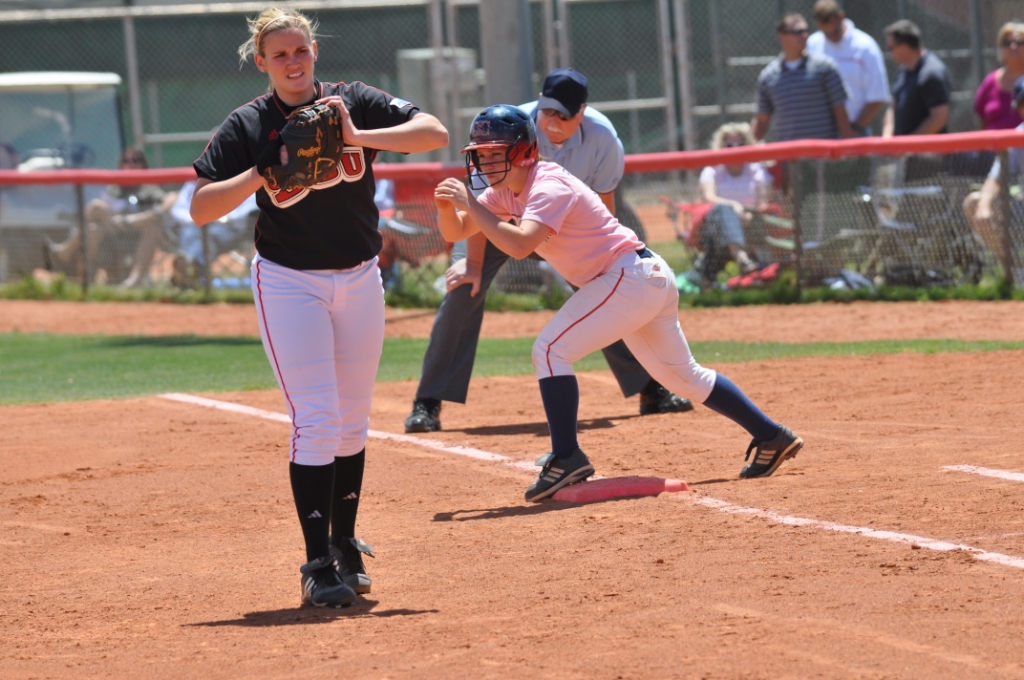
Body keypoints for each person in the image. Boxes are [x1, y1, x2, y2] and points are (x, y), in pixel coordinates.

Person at [189, 7, 448, 608]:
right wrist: (261, 170)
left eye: (300, 50)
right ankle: (315, 563)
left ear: (314, 52)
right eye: (279, 54)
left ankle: (345, 542)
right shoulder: (250, 123)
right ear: (261, 62)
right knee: (317, 418)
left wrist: (358, 136)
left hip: (360, 278)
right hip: (289, 282)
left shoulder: (349, 102)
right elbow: (202, 206)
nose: (292, 62)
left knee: (353, 418)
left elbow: (433, 131)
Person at [436, 106, 803, 501]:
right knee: (683, 378)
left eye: (495, 152)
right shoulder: (504, 191)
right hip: (638, 279)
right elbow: (458, 229)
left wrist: (471, 204)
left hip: (627, 278)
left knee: (550, 350)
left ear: (523, 151)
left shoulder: (547, 184)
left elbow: (520, 244)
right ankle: (771, 435)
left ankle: (566, 457)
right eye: (481, 152)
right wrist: (447, 208)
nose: (484, 160)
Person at [404, 68, 693, 434]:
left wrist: (598, 264)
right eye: (547, 112)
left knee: (608, 288)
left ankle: (650, 389)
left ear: (582, 113)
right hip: (503, 220)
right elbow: (480, 208)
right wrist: (473, 265)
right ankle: (428, 402)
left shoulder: (603, 140)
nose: (553, 122)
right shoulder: (503, 129)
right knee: (465, 286)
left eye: (564, 115)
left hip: (566, 230)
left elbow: (605, 211)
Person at [46, 148, 177, 287]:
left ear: (143, 165)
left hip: (136, 232)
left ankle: (133, 281)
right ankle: (86, 280)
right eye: (126, 161)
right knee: (93, 226)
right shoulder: (116, 187)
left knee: (152, 228)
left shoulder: (148, 187)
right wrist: (119, 219)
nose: (131, 164)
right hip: (114, 230)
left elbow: (172, 198)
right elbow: (108, 209)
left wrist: (139, 219)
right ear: (121, 165)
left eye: (135, 160)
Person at [688, 123, 775, 288]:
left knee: (729, 220)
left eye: (740, 145)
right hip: (715, 227)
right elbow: (708, 197)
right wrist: (734, 207)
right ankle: (742, 258)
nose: (735, 149)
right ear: (721, 147)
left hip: (750, 224)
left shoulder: (757, 170)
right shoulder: (713, 169)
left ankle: (707, 277)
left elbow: (764, 202)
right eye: (729, 145)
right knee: (723, 211)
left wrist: (749, 214)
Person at [752, 13, 853, 142]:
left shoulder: (825, 67)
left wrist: (849, 151)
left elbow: (841, 113)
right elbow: (762, 121)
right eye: (797, 32)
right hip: (788, 158)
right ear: (782, 36)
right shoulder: (768, 76)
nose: (804, 35)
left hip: (823, 157)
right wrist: (741, 150)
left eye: (806, 31)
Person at [963, 75, 1024, 273]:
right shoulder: (1018, 134)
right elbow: (996, 177)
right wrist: (984, 204)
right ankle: (1017, 272)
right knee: (974, 202)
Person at [807, 0, 889, 136]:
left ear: (842, 17)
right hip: (819, 133)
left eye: (835, 31)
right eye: (826, 34)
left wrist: (855, 129)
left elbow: (878, 96)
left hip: (857, 132)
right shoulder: (812, 45)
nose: (832, 38)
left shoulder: (865, 46)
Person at [168, 180, 258, 289]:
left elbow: (251, 206)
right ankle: (190, 264)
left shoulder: (241, 175)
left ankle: (191, 267)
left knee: (209, 235)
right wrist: (194, 219)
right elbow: (178, 208)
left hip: (229, 227)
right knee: (189, 232)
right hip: (197, 225)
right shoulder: (194, 181)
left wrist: (220, 217)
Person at [882, 20, 951, 137]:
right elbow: (893, 107)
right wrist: (887, 136)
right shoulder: (903, 71)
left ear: (904, 46)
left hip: (929, 153)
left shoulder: (932, 73)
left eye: (891, 48)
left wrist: (910, 145)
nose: (889, 53)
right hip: (904, 152)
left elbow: (939, 118)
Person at [974, 22, 1024, 131]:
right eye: (1007, 43)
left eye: (1019, 42)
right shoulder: (990, 82)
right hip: (995, 146)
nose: (1013, 47)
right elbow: (982, 118)